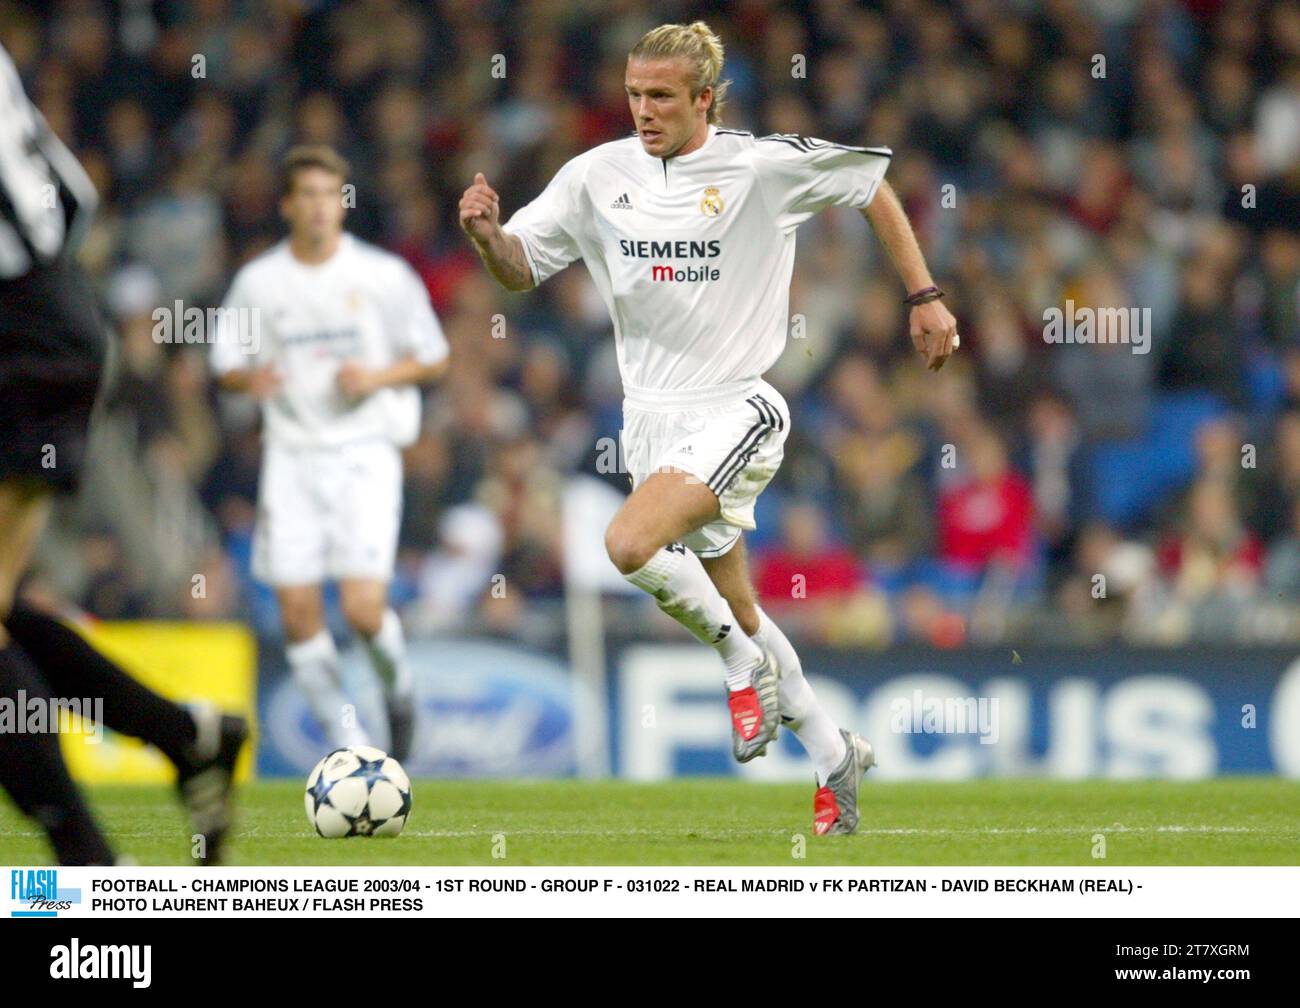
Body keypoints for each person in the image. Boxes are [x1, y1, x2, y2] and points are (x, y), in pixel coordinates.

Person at [458, 21, 958, 834]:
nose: (644, 111)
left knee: (628, 545)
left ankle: (736, 667)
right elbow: (522, 268)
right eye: (633, 95)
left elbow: (871, 187)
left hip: (740, 406)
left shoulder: (759, 166)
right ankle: (835, 754)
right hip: (651, 422)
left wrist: (923, 296)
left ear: (704, 99)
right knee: (744, 607)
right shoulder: (596, 176)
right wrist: (487, 238)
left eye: (661, 97)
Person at [0, 41, 246, 866]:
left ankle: (90, 863)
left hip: (17, 340)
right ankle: (186, 737)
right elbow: (72, 196)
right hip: (49, 316)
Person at [212, 146, 449, 761]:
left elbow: (434, 355)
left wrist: (374, 377)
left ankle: (400, 691)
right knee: (296, 611)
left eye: (332, 195)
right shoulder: (259, 282)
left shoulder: (382, 276)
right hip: (291, 458)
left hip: (365, 453)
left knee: (364, 610)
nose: (322, 207)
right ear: (289, 205)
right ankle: (351, 748)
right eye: (309, 195)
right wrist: (250, 381)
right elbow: (225, 364)